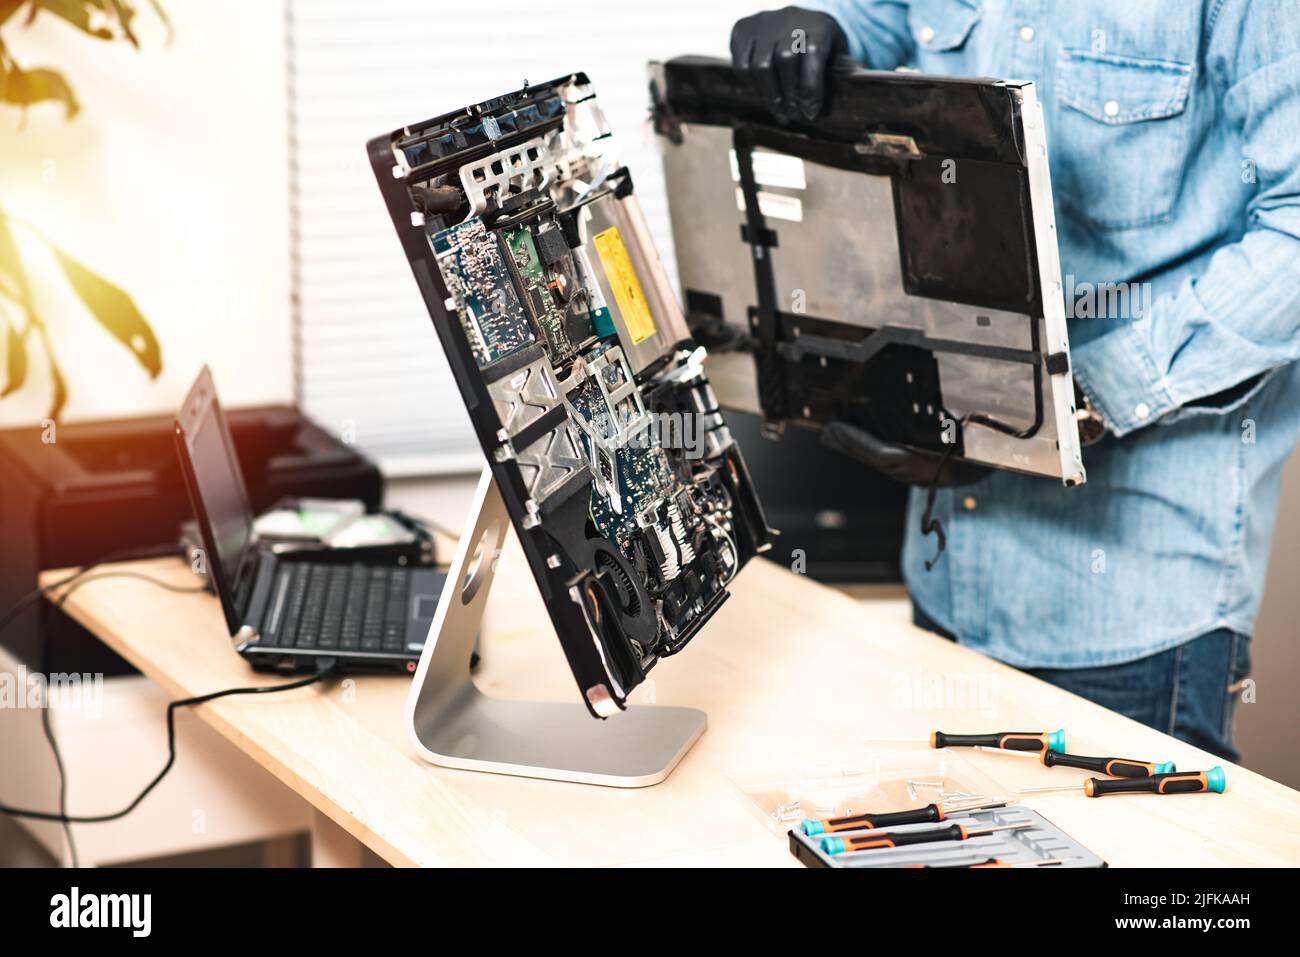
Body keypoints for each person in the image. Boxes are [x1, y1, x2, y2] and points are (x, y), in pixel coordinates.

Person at [728, 2, 1300, 760]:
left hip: (1133, 614)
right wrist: (824, 32)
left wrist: (1076, 399)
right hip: (947, 573)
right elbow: (883, 22)